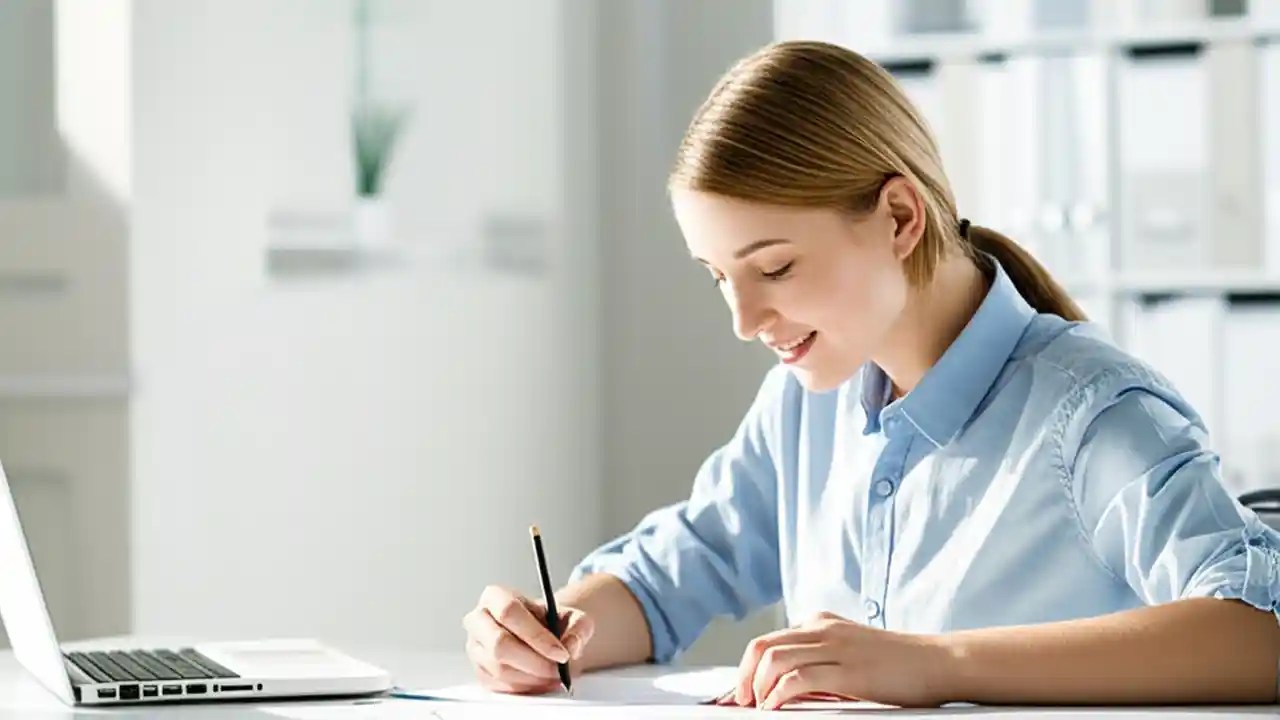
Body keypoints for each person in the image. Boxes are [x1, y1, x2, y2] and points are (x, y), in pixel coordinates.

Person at [462, 41, 1280, 708]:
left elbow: (1259, 632)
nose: (744, 322)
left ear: (898, 217)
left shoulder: (1092, 414)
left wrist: (934, 664)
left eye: (774, 268)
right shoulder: (803, 403)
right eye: (719, 277)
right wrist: (552, 628)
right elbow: (677, 571)